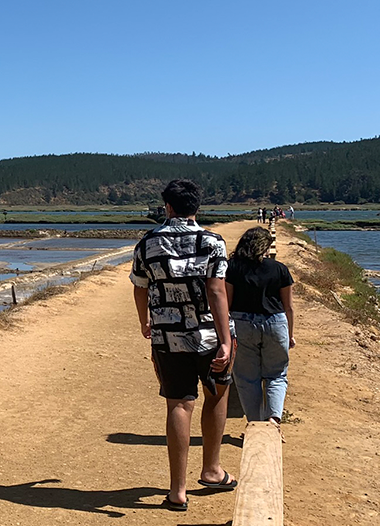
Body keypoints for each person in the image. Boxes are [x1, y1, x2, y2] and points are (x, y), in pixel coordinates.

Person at [131, 179, 236, 511]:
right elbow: (216, 291)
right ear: (197, 208)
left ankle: (178, 491)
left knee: (178, 404)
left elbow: (139, 287)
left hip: (167, 336)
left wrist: (145, 322)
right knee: (216, 395)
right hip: (208, 334)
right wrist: (225, 340)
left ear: (168, 207)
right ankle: (212, 470)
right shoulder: (212, 242)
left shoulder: (148, 243)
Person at [226, 227, 295, 431]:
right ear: (266, 247)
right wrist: (290, 334)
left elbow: (227, 303)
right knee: (276, 374)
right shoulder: (280, 269)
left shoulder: (232, 267)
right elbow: (288, 306)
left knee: (247, 378)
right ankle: (274, 420)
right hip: (275, 323)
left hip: (243, 324)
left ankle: (255, 423)